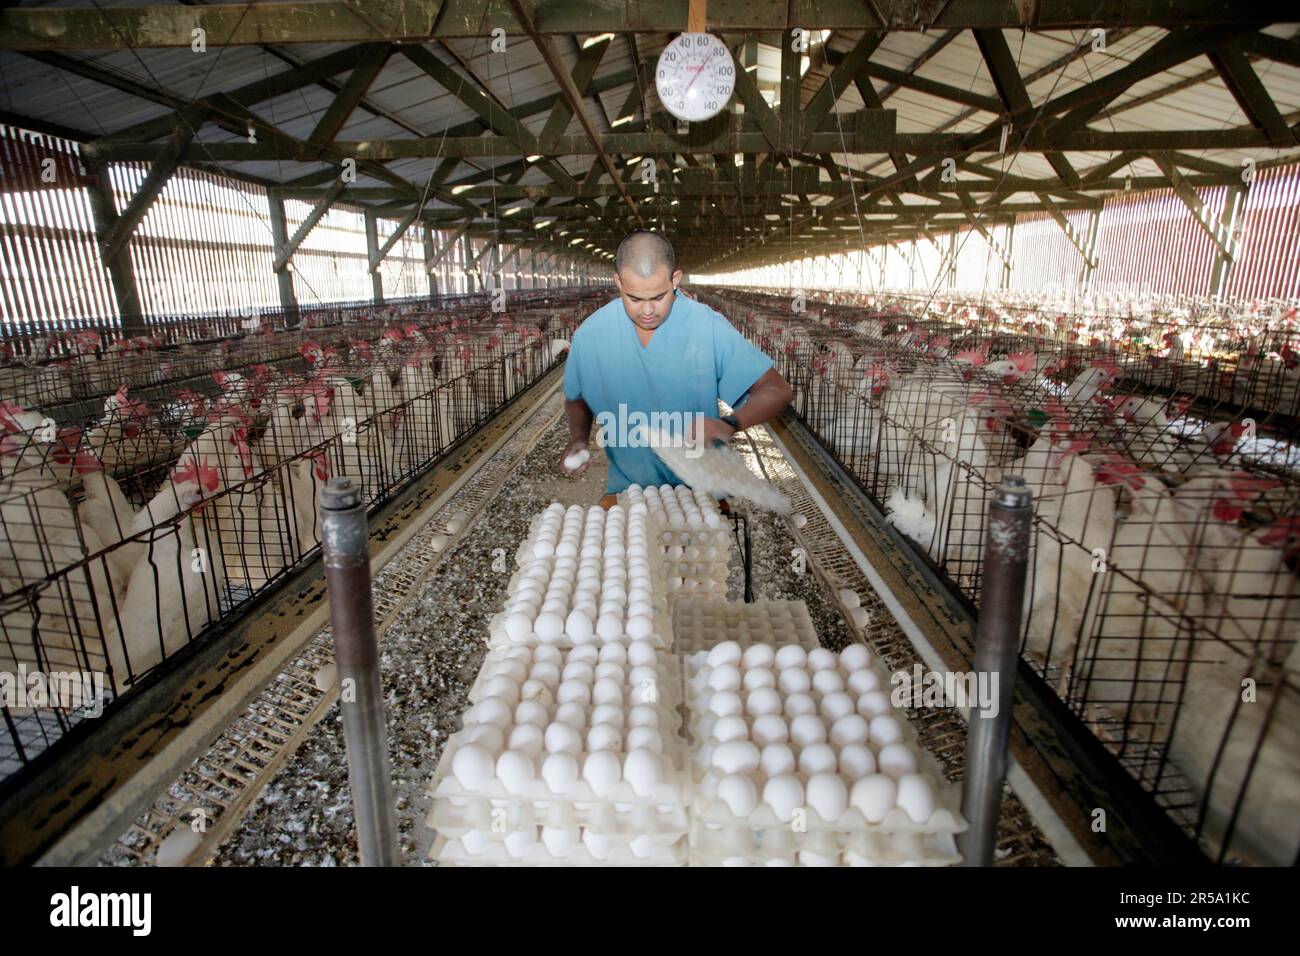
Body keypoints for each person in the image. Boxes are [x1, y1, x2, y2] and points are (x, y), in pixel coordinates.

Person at [560, 230, 794, 494]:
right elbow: (577, 394)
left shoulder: (708, 328)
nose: (647, 311)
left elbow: (777, 389)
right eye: (635, 298)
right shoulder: (591, 334)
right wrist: (579, 438)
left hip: (702, 491)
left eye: (658, 297)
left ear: (675, 280)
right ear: (618, 282)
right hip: (629, 493)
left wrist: (730, 423)